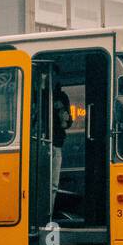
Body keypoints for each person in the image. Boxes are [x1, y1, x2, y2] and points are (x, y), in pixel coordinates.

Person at [49, 81, 72, 217]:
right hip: (45, 143)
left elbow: (67, 122)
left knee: (53, 185)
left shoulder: (62, 97)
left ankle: (49, 215)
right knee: (51, 184)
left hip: (56, 142)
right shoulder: (36, 94)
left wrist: (62, 117)